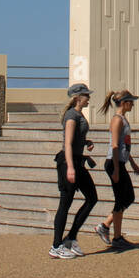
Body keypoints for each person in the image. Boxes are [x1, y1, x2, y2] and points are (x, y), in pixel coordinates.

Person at [49, 82, 98, 259]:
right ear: (78, 97)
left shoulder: (78, 114)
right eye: (86, 95)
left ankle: (70, 238)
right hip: (68, 162)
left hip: (77, 161)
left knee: (92, 198)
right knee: (65, 203)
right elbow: (67, 144)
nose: (89, 98)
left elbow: (75, 140)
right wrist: (70, 167)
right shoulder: (71, 115)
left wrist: (85, 142)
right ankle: (56, 246)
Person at [95, 90, 139, 249]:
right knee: (122, 199)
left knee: (127, 198)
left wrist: (131, 162)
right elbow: (114, 145)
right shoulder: (117, 120)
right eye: (131, 101)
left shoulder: (123, 119)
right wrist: (115, 169)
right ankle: (114, 234)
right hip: (114, 163)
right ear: (124, 103)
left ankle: (108, 228)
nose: (133, 104)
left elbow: (124, 145)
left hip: (119, 162)